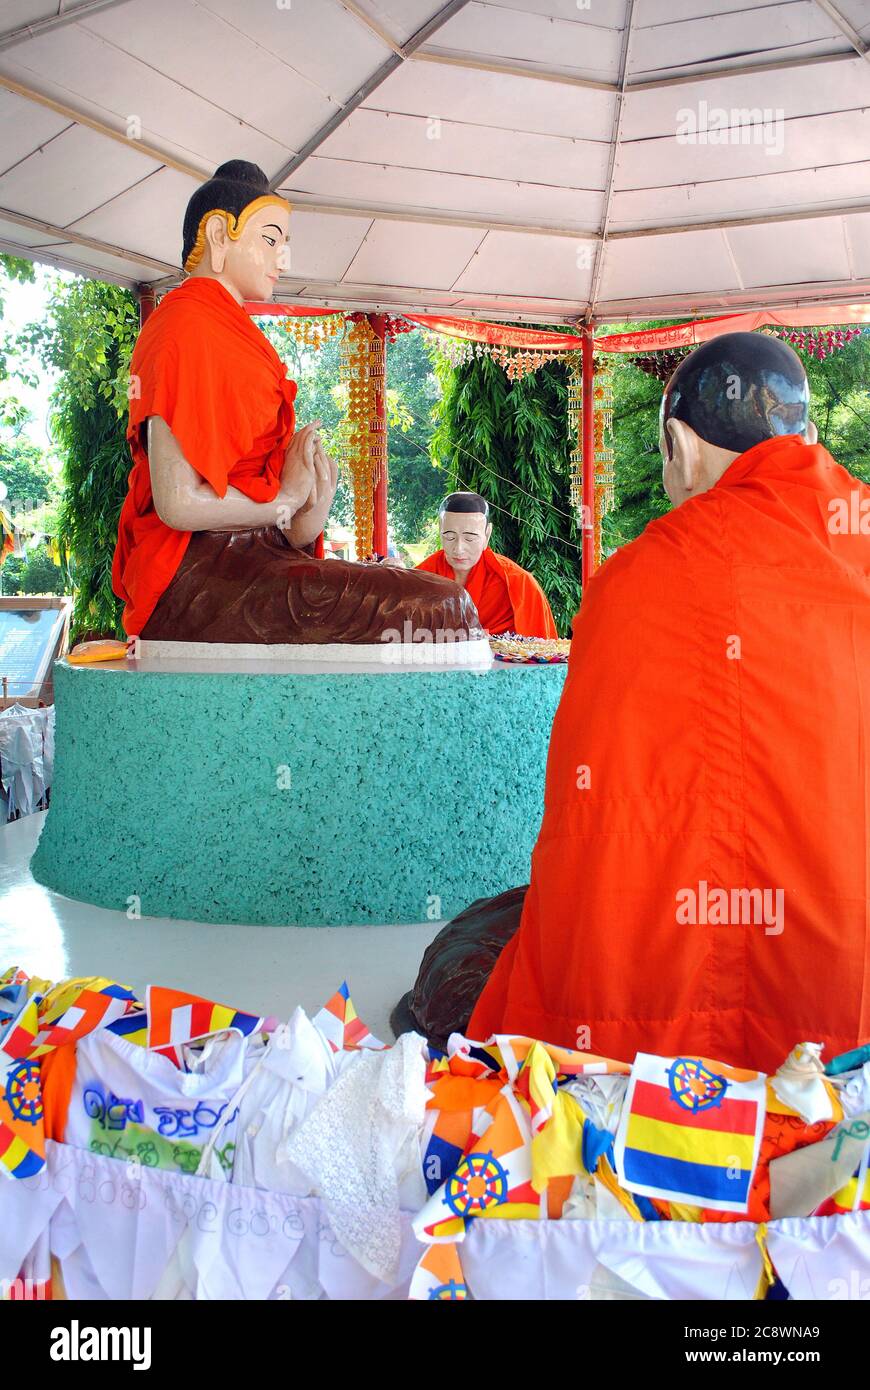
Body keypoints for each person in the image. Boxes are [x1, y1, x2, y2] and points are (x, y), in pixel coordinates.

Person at [398, 332, 870, 1073]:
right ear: (807, 436)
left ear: (678, 447)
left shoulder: (638, 580)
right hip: (845, 1001)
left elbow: (591, 828)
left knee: (458, 957)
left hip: (650, 1006)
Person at [112, 160, 478, 647]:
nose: (282, 261)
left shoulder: (237, 335)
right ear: (220, 235)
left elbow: (276, 527)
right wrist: (283, 500)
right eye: (269, 240)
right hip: (195, 579)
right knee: (437, 610)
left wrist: (311, 506)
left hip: (254, 562)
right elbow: (177, 504)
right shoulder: (183, 326)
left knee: (442, 604)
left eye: (283, 245)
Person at [416, 492, 557, 637]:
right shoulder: (421, 577)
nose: (458, 548)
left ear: (487, 535)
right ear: (440, 531)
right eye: (449, 536)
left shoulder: (519, 583)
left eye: (469, 538)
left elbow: (540, 651)